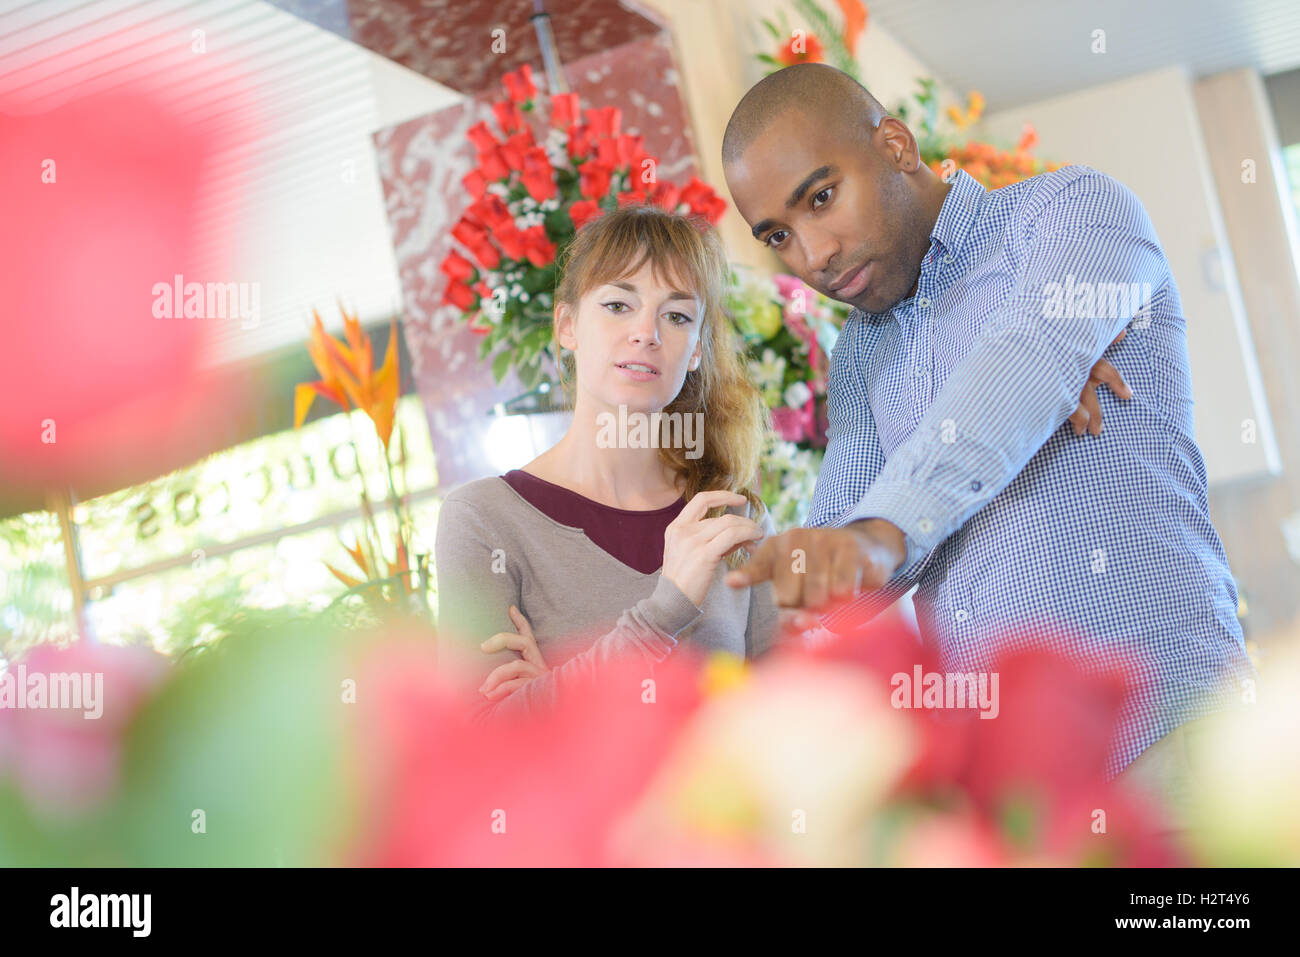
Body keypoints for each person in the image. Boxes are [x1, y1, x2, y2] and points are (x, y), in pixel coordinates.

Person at [719, 64, 1256, 802]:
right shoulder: (862, 354)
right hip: (1016, 793)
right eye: (779, 233)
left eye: (821, 197)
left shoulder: (1074, 212)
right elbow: (844, 564)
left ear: (896, 145)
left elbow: (1023, 362)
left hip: (1172, 736)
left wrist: (885, 527)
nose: (813, 254)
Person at [434, 205, 779, 721]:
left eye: (677, 316)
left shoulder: (734, 522)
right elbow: (488, 738)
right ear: (568, 325)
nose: (647, 332)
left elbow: (788, 721)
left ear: (696, 353)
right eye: (619, 305)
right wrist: (664, 614)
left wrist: (556, 698)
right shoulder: (482, 521)